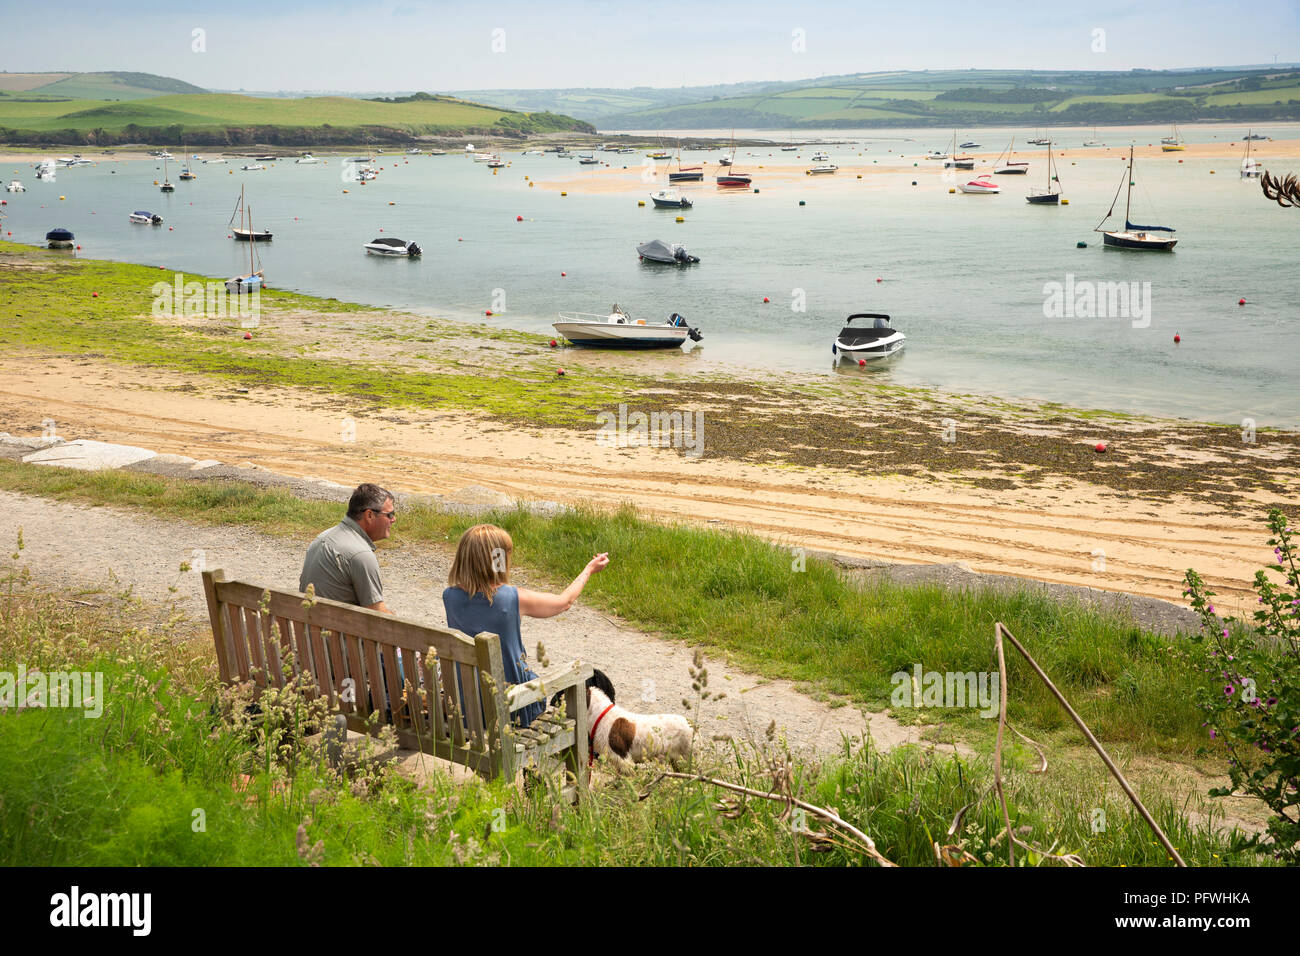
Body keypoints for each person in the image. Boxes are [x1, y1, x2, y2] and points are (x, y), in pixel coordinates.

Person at [443, 524, 608, 727]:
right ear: (497, 560)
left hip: (468, 708)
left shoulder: (449, 597)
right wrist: (589, 569)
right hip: (514, 710)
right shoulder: (512, 598)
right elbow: (564, 602)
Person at [299, 483, 396, 613]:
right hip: (338, 632)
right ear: (370, 515)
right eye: (390, 514)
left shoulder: (321, 538)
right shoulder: (360, 554)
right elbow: (377, 615)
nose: (393, 519)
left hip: (310, 630)